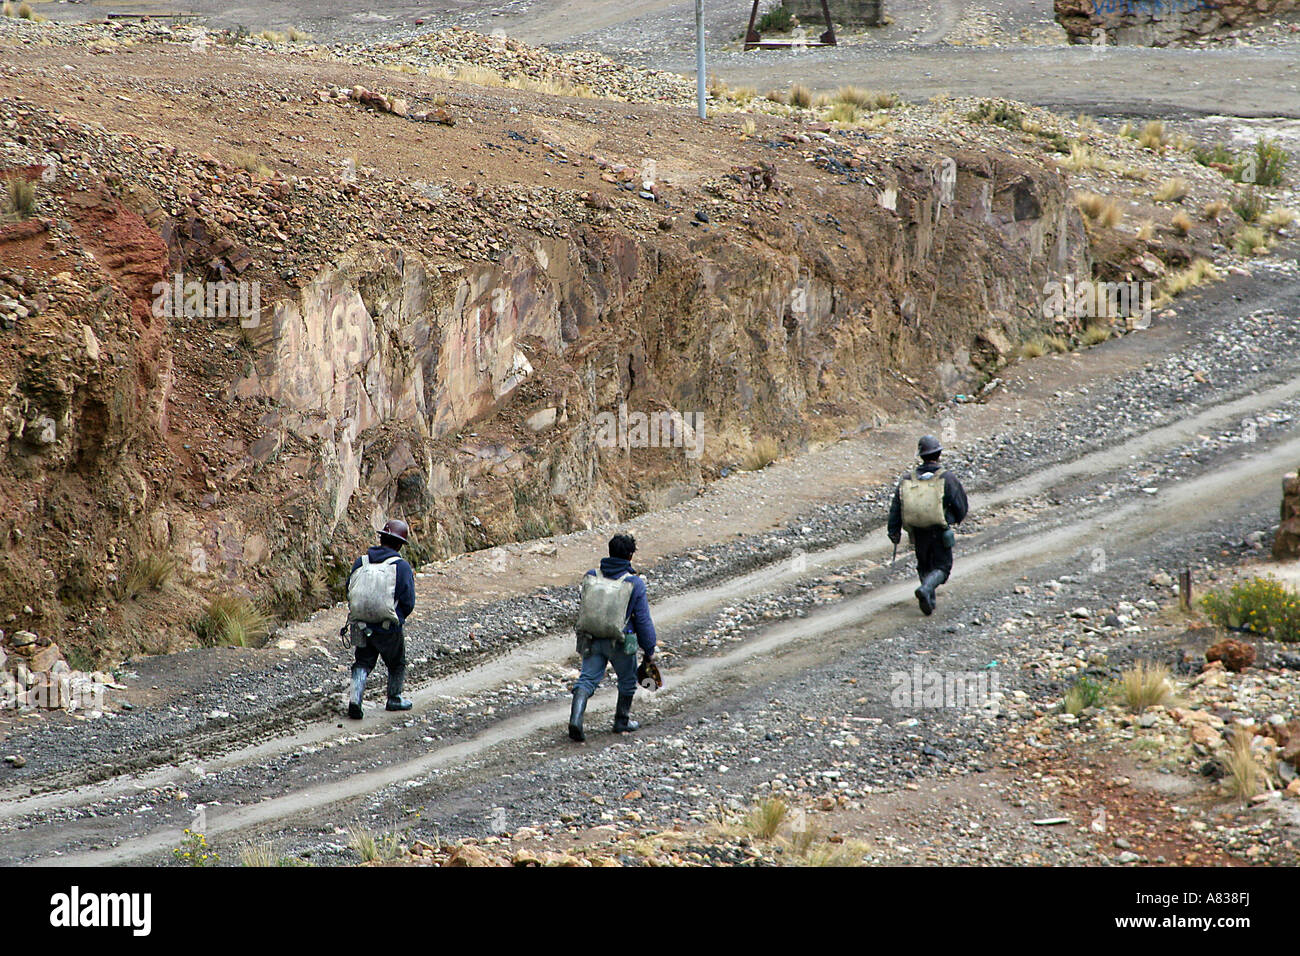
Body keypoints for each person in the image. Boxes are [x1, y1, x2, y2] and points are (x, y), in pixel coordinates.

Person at [569, 533, 657, 742]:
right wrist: (649, 649)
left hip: (592, 638)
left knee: (587, 680)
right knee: (627, 681)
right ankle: (621, 721)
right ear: (630, 556)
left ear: (609, 552)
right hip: (621, 642)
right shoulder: (634, 583)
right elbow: (643, 620)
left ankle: (576, 719)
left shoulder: (592, 575)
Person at [887, 436, 969, 616]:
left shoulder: (908, 479)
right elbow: (961, 506)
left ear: (921, 455)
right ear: (939, 454)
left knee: (924, 565)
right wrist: (952, 520)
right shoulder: (947, 478)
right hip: (939, 531)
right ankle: (926, 589)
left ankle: (929, 599)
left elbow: (896, 507)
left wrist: (894, 532)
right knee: (943, 567)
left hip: (917, 533)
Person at [345, 519, 416, 719]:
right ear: (400, 544)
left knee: (362, 662)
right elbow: (408, 601)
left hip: (360, 623)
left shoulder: (361, 562)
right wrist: (397, 618)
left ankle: (355, 699)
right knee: (396, 663)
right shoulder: (400, 566)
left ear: (381, 538)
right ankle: (394, 698)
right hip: (388, 627)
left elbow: (349, 590)